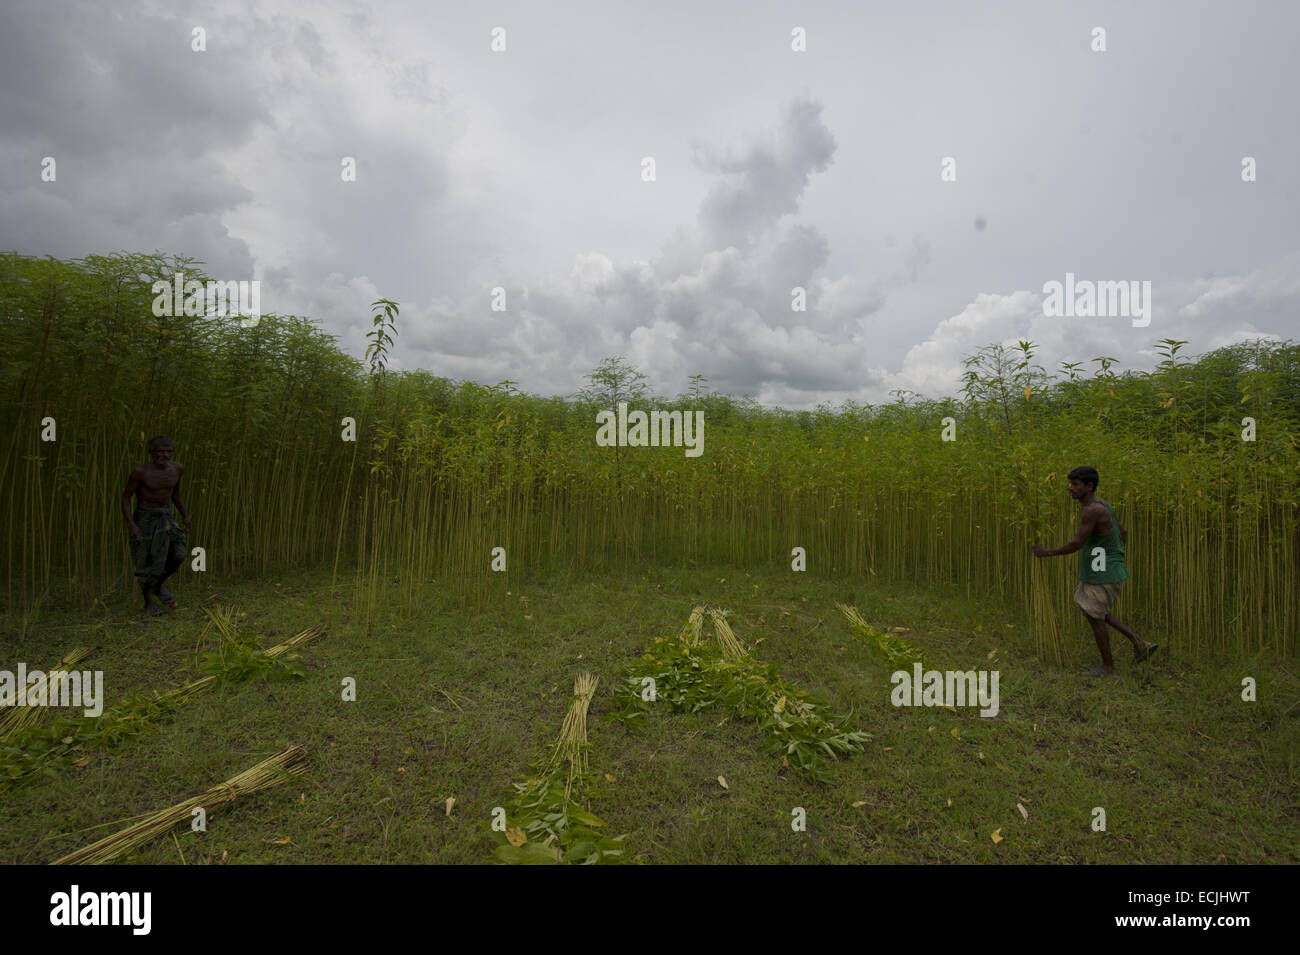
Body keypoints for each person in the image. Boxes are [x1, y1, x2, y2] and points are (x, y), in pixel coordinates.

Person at [1032, 466, 1157, 677]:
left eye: (1075, 484)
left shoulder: (1093, 510)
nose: (1070, 488)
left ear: (1089, 486)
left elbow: (1077, 543)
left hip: (1104, 572)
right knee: (1096, 610)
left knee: (1094, 615)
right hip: (1104, 569)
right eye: (1070, 483)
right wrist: (1113, 555)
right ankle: (1140, 643)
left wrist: (1047, 553)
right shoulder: (1103, 505)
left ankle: (1109, 669)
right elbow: (1122, 532)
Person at [122, 435, 192, 616]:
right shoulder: (141, 472)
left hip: (166, 515)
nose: (165, 455)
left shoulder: (177, 469)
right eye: (161, 451)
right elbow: (125, 498)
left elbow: (176, 494)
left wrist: (185, 516)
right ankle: (148, 604)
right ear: (152, 452)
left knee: (179, 554)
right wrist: (132, 525)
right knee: (146, 560)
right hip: (145, 517)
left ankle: (157, 585)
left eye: (169, 451)